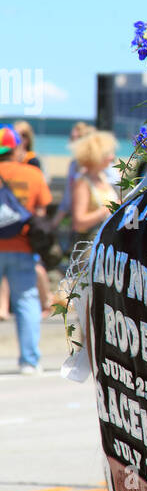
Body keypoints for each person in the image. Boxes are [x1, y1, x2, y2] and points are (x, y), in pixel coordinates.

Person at [0, 125, 52, 373]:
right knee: (27, 301)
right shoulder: (33, 174)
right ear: (17, 148)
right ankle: (29, 361)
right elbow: (41, 213)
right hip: (22, 246)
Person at [69, 130, 119, 246]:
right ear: (97, 155)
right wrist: (107, 209)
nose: (112, 157)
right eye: (108, 153)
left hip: (107, 243)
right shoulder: (83, 182)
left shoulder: (103, 177)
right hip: (90, 246)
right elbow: (79, 222)